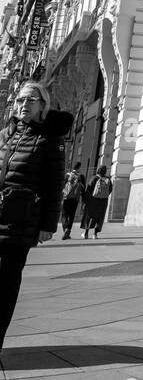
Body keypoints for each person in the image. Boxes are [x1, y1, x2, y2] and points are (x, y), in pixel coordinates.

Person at [0, 81, 69, 350]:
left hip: (21, 220)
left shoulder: (50, 139)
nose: (23, 105)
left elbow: (55, 185)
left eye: (30, 100)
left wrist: (48, 225)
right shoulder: (7, 134)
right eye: (20, 100)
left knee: (5, 285)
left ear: (43, 105)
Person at [82, 164, 113, 239]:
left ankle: (86, 234)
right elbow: (110, 190)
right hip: (103, 201)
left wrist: (85, 201)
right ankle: (95, 234)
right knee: (99, 217)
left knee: (89, 216)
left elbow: (88, 190)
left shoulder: (94, 178)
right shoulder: (108, 179)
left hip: (93, 200)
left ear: (98, 170)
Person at [60, 160, 86, 239]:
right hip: (75, 199)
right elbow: (83, 189)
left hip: (66, 198)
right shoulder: (81, 176)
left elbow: (62, 186)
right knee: (71, 215)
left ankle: (65, 229)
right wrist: (83, 200)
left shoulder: (68, 175)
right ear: (79, 167)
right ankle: (68, 231)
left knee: (64, 214)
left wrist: (61, 196)